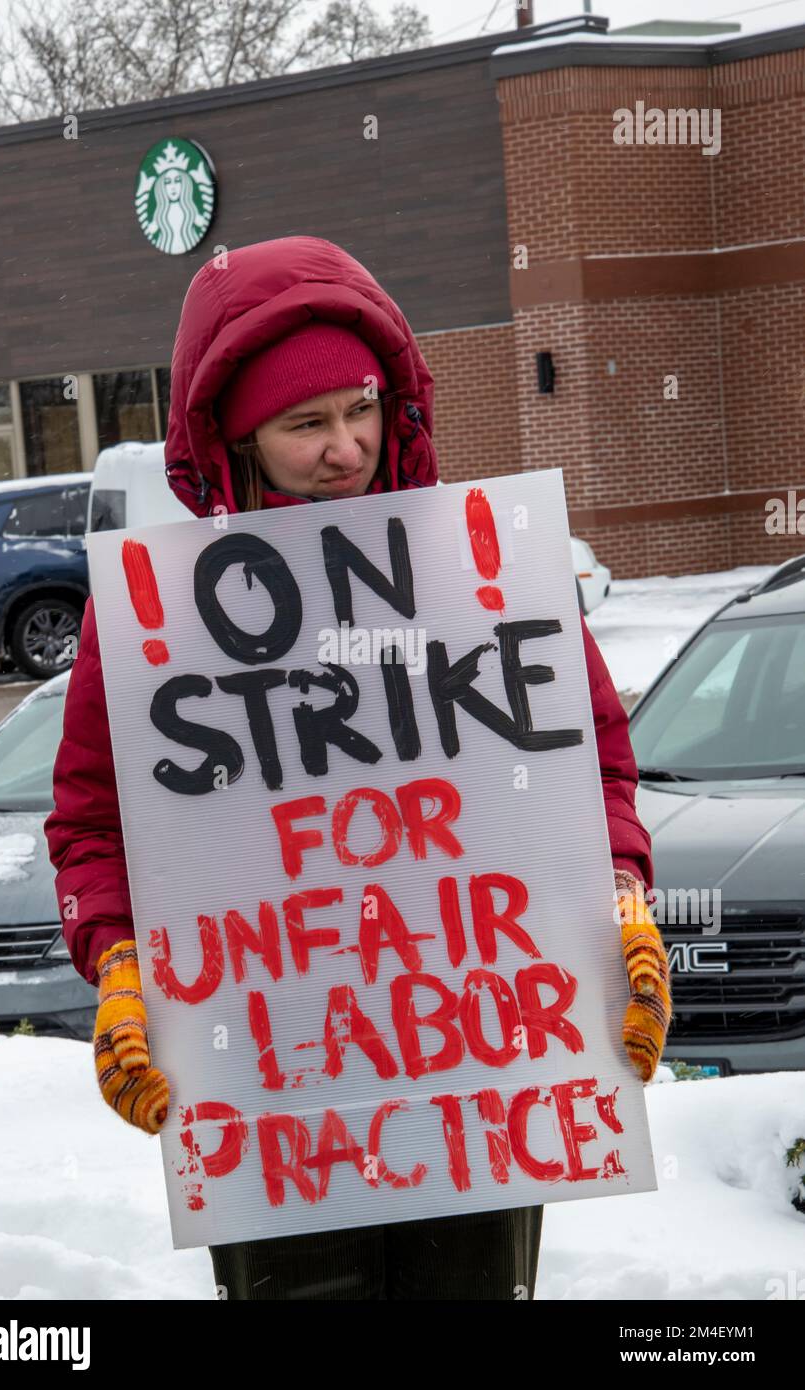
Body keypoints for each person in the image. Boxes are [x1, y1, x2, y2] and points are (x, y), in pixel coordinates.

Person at [44, 235, 671, 1302]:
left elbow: (591, 764)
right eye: (305, 424)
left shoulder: (483, 573)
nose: (345, 447)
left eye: (361, 408)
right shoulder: (152, 622)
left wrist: (618, 896)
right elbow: (93, 826)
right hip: (264, 1085)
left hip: (479, 1075)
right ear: (235, 439)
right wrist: (116, 965)